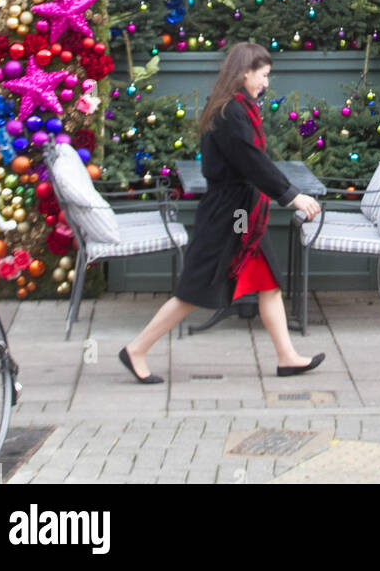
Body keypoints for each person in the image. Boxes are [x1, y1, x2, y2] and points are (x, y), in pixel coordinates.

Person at [119, 42, 324, 383]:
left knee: (268, 282)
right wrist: (292, 195)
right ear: (245, 72)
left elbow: (252, 163)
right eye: (264, 75)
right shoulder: (231, 112)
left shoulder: (236, 108)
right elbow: (252, 162)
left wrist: (284, 193)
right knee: (193, 291)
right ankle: (136, 349)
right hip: (230, 215)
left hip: (242, 214)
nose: (266, 83)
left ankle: (287, 357)